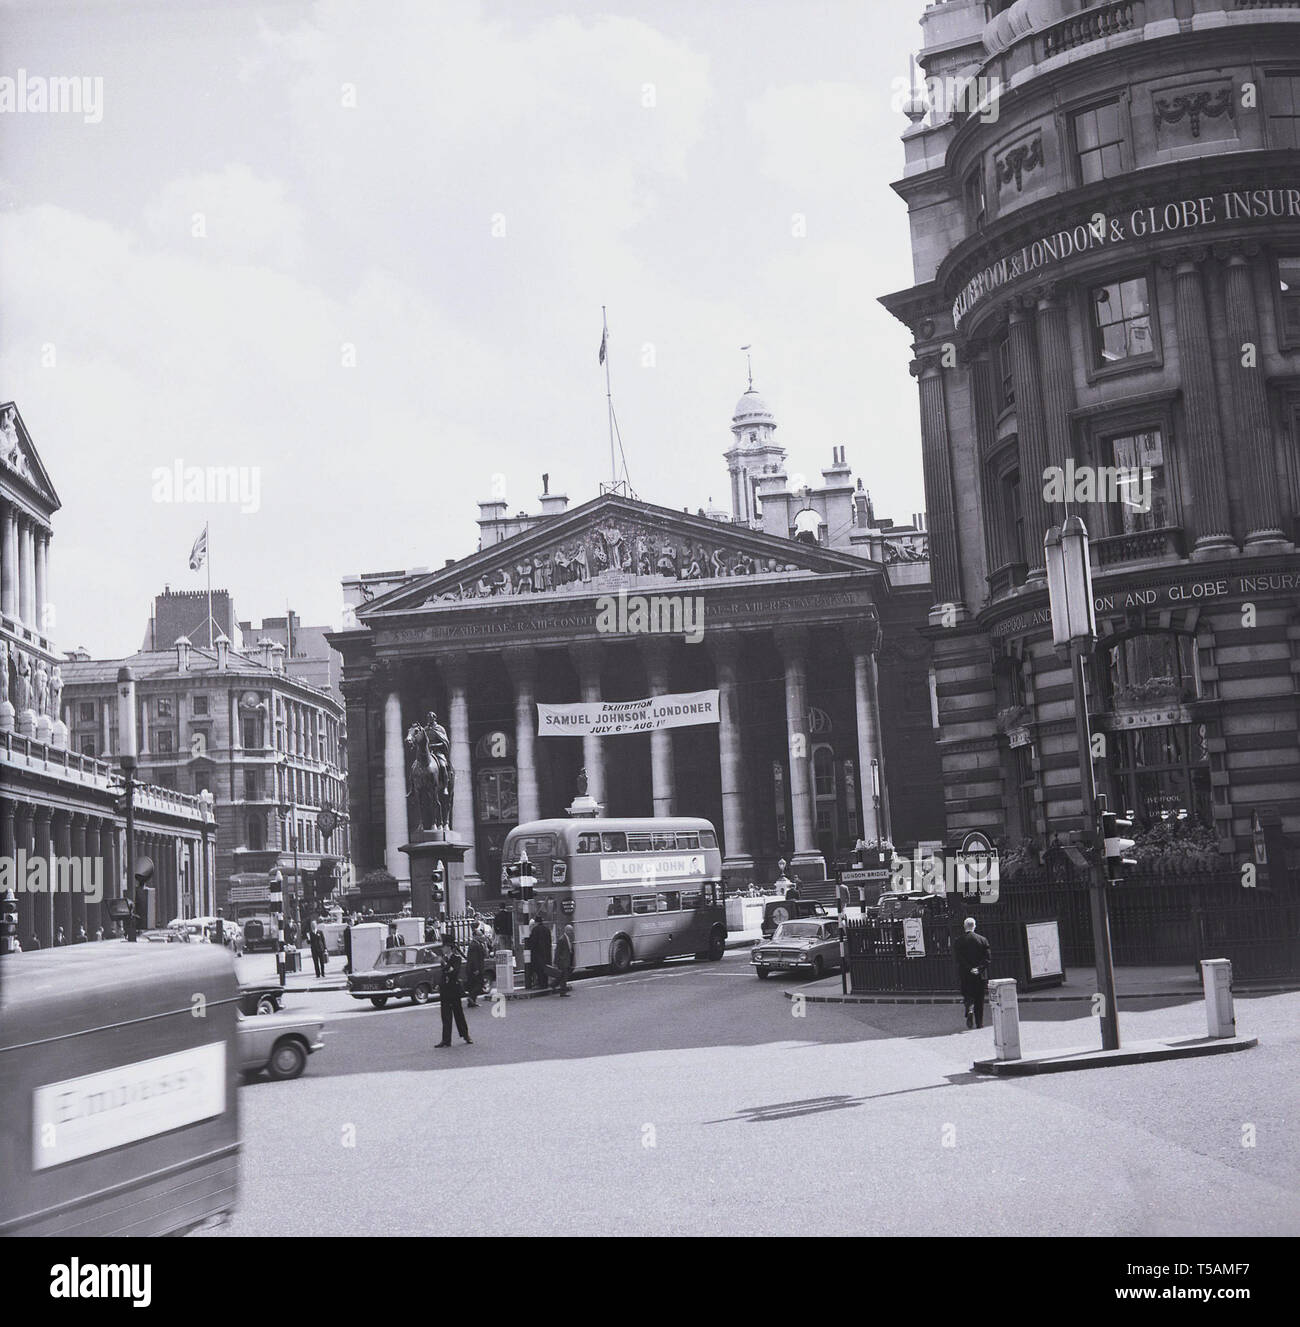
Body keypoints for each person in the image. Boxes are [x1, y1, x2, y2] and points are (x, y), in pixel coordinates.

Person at [954, 916, 992, 1029]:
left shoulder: (958, 941)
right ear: (974, 926)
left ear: (964, 926)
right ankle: (979, 1023)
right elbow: (987, 958)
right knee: (979, 998)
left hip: (965, 973)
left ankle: (969, 1009)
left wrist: (969, 968)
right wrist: (978, 968)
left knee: (967, 994)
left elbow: (958, 958)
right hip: (979, 975)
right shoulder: (982, 940)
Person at [434, 938, 472, 1047]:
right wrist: (439, 984)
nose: (442, 949)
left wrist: (444, 963)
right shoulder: (445, 959)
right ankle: (446, 1040)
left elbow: (453, 972)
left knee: (459, 1014)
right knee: (445, 1016)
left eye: (444, 947)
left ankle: (466, 1035)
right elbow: (443, 973)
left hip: (454, 990)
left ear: (449, 947)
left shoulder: (457, 959)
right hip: (445, 990)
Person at [528, 914, 551, 991]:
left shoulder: (535, 930)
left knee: (539, 969)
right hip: (546, 954)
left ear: (536, 922)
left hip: (538, 954)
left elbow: (533, 943)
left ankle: (541, 984)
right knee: (546, 969)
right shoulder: (547, 929)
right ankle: (545, 983)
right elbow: (549, 942)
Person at [551, 923, 575, 996]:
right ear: (567, 931)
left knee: (562, 976)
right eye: (571, 931)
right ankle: (562, 992)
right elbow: (557, 951)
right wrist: (555, 962)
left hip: (567, 960)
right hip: (562, 961)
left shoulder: (568, 938)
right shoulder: (562, 939)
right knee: (563, 976)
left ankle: (554, 985)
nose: (572, 932)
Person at [465, 927, 487, 1007]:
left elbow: (484, 954)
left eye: (481, 935)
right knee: (479, 984)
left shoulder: (478, 944)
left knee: (473, 985)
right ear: (474, 936)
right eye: (479, 935)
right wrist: (476, 969)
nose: (481, 937)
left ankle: (472, 1002)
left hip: (474, 968)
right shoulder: (474, 945)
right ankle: (471, 997)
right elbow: (474, 958)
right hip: (475, 969)